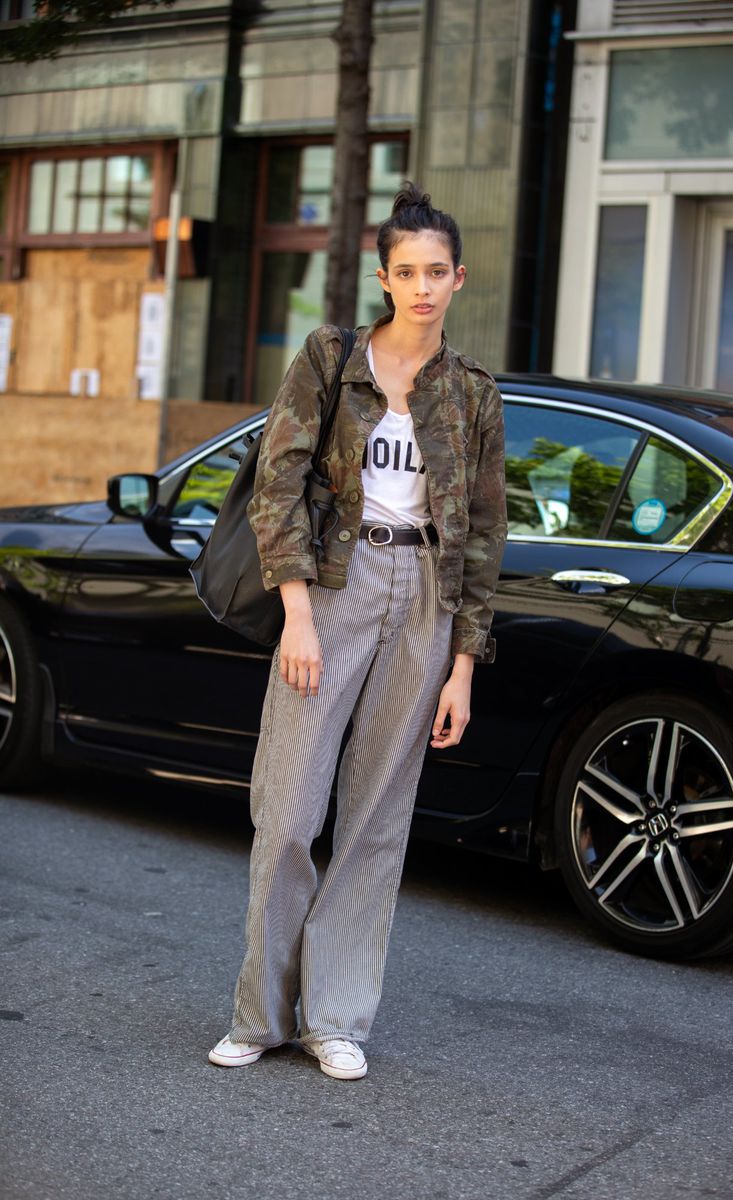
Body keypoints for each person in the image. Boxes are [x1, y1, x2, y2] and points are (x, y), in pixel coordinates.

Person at [208, 182, 507, 1080]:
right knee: (290, 813)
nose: (422, 287)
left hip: (423, 594)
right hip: (333, 589)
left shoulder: (473, 396)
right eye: (406, 271)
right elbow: (279, 481)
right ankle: (260, 1016)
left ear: (461, 278)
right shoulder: (330, 360)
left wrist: (462, 666)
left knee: (376, 819)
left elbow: (485, 536)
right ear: (384, 277)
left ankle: (334, 1017)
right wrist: (296, 613)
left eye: (437, 272)